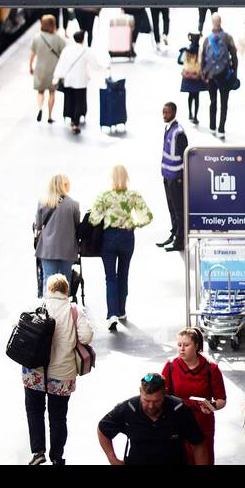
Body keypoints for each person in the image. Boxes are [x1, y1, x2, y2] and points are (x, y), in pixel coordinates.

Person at [24, 272, 94, 466]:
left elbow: (18, 326)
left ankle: (38, 452)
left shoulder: (36, 306)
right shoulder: (74, 310)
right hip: (62, 374)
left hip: (35, 371)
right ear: (67, 291)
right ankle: (57, 457)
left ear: (49, 290)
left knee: (35, 411)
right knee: (58, 416)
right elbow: (86, 337)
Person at [88, 164, 152, 332]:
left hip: (108, 238)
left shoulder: (104, 196)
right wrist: (135, 223)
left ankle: (112, 315)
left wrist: (104, 215)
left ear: (111, 178)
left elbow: (93, 219)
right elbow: (148, 216)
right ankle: (122, 311)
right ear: (126, 178)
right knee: (123, 274)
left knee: (110, 277)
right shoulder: (133, 195)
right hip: (127, 237)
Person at [97, 373, 208, 466]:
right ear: (140, 392)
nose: (151, 406)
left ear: (165, 393)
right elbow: (103, 429)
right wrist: (112, 459)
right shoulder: (128, 408)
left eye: (156, 401)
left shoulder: (179, 410)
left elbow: (198, 445)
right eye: (146, 400)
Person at [161, 327, 226, 464]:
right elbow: (162, 395)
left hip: (203, 423)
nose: (181, 349)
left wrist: (211, 406)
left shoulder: (211, 369)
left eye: (186, 345)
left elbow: (221, 400)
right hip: (177, 422)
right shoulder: (170, 366)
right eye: (179, 345)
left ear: (196, 346)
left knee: (203, 458)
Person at [34, 173, 81, 289]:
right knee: (65, 280)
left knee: (48, 280)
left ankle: (48, 306)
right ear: (65, 185)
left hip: (48, 249)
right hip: (67, 249)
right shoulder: (73, 204)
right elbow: (77, 226)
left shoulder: (43, 202)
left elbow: (39, 226)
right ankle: (63, 306)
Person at [200, 13, 238, 141]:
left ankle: (212, 126)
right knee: (224, 103)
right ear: (220, 22)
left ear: (212, 23)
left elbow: (202, 58)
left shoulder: (207, 39)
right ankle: (221, 128)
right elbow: (234, 55)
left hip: (211, 75)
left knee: (213, 101)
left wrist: (203, 74)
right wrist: (234, 72)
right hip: (224, 75)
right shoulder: (228, 38)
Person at [53, 29, 97, 134]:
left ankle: (71, 118)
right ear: (83, 39)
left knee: (70, 100)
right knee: (79, 101)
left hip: (68, 80)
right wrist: (105, 67)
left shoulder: (67, 50)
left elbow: (61, 63)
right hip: (80, 81)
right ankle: (76, 122)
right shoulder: (85, 50)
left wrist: (56, 77)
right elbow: (95, 65)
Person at [158, 102, 187, 253]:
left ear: (174, 112)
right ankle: (174, 233)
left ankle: (180, 240)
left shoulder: (179, 132)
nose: (164, 115)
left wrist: (180, 177)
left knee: (179, 209)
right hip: (167, 175)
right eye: (163, 112)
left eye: (167, 113)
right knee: (171, 208)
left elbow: (184, 156)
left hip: (176, 178)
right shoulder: (168, 128)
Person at [29, 13, 66, 123]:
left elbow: (32, 54)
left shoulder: (37, 37)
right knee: (52, 93)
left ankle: (40, 108)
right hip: (54, 70)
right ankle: (49, 116)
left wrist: (30, 66)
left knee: (40, 92)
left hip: (40, 69)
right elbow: (64, 53)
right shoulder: (58, 38)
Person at [177, 32, 204, 125]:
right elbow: (203, 62)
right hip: (197, 76)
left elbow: (179, 61)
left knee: (190, 95)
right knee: (196, 97)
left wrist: (181, 52)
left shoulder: (186, 50)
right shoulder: (200, 50)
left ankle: (190, 113)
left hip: (187, 76)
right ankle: (195, 116)